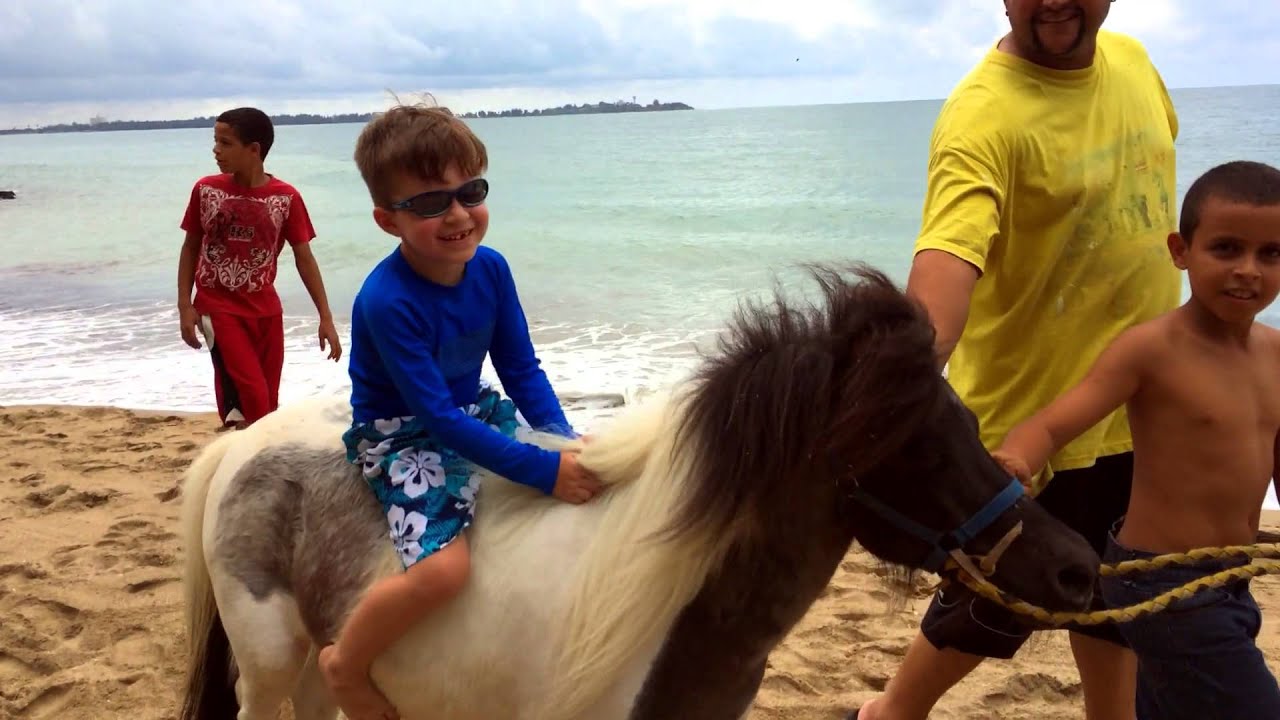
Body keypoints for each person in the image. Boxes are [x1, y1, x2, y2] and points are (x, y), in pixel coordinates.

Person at [849, 2, 1181, 718]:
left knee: (1111, 585)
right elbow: (949, 257)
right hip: (1034, 418)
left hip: (1137, 406)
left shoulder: (1134, 63)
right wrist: (902, 385)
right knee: (998, 601)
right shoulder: (983, 113)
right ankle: (890, 714)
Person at [316, 102, 603, 720]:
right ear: (387, 220)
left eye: (469, 191)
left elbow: (522, 370)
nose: (457, 214)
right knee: (443, 574)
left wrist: (561, 442)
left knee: (594, 476)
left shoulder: (491, 270)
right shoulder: (387, 301)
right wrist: (544, 472)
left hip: (472, 408)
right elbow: (438, 420)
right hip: (404, 435)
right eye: (428, 203)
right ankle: (346, 665)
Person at [992, 159, 1280, 719]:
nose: (1249, 270)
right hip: (1161, 583)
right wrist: (1017, 458)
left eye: (1271, 254)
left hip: (1232, 579)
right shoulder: (1151, 350)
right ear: (1180, 251)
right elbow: (1052, 423)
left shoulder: (1277, 355)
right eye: (1226, 249)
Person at [177, 107, 342, 429]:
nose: (216, 150)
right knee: (250, 396)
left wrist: (325, 317)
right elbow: (190, 247)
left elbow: (304, 257)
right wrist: (185, 305)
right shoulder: (206, 190)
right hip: (218, 306)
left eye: (225, 143)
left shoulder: (286, 198)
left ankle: (246, 465)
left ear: (254, 149)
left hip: (266, 311)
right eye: (215, 141)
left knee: (267, 403)